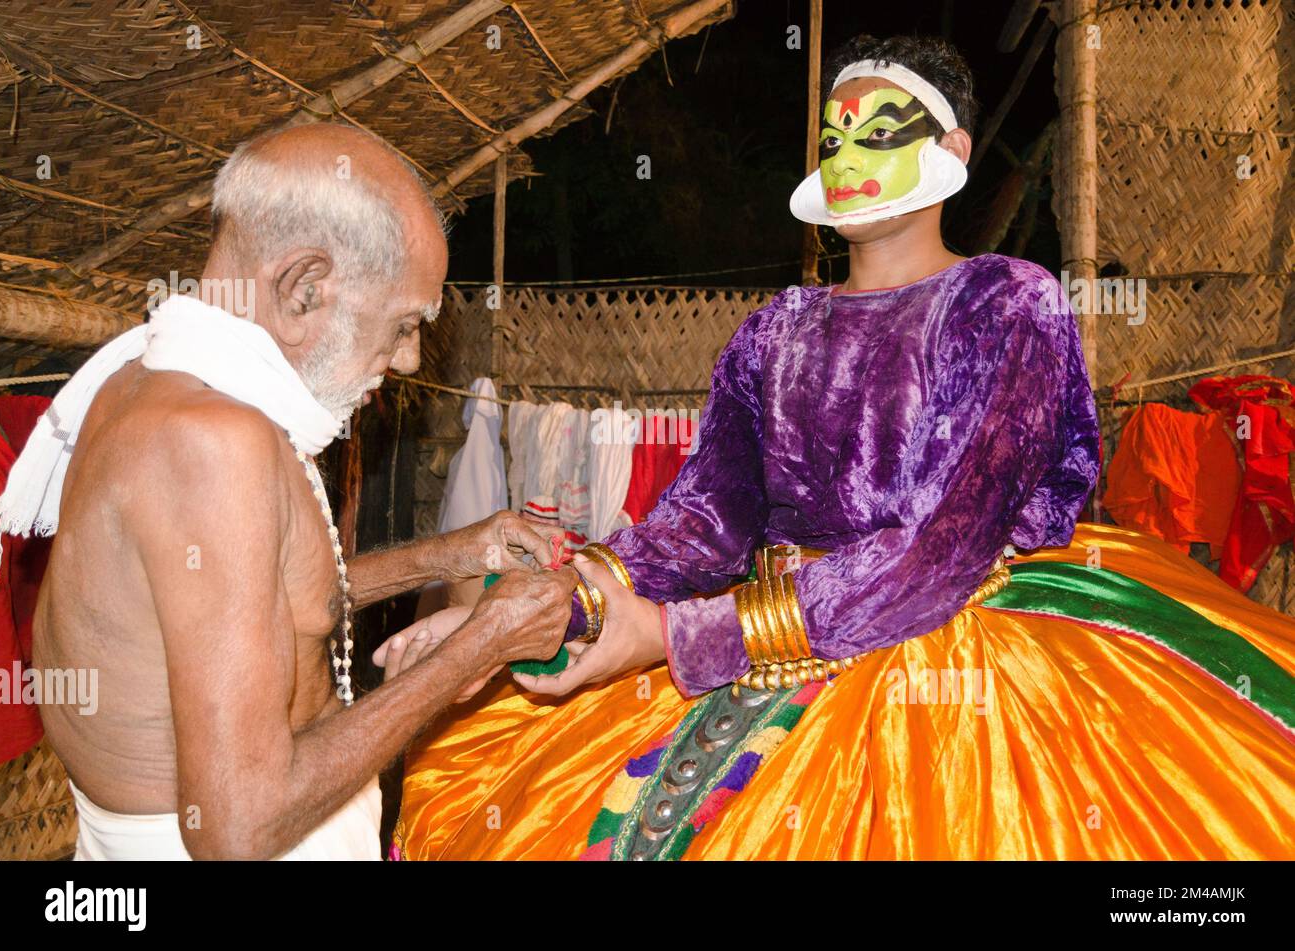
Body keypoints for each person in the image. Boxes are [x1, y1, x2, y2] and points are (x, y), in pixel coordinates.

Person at [398, 34, 1295, 860]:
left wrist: (676, 634)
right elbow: (702, 524)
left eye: (878, 131)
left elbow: (939, 550)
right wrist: (558, 601)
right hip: (771, 634)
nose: (846, 156)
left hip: (956, 654)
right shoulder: (774, 331)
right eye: (834, 136)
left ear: (951, 153)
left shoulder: (1008, 303)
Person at [6, 124, 577, 860]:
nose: (406, 358)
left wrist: (455, 552)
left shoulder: (150, 381)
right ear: (304, 287)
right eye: (404, 324)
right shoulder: (214, 443)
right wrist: (481, 644)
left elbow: (260, 607)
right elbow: (238, 827)